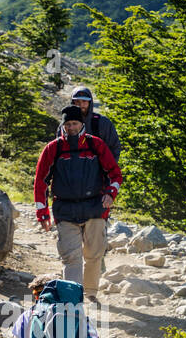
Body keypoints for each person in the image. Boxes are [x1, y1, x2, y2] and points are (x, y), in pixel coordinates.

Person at [34, 105, 122, 300]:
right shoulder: (53, 148)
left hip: (95, 208)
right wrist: (43, 213)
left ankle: (90, 293)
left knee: (93, 255)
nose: (71, 127)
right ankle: (74, 298)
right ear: (63, 126)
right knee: (71, 257)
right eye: (67, 124)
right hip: (65, 210)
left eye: (74, 123)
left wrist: (110, 193)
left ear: (82, 124)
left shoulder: (96, 145)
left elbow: (115, 174)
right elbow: (40, 182)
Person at [70, 85, 121, 162]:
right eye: (77, 101)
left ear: (90, 102)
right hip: (72, 171)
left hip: (97, 171)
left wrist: (108, 170)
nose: (81, 105)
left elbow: (114, 147)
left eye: (84, 101)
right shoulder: (66, 125)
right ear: (73, 103)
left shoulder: (103, 123)